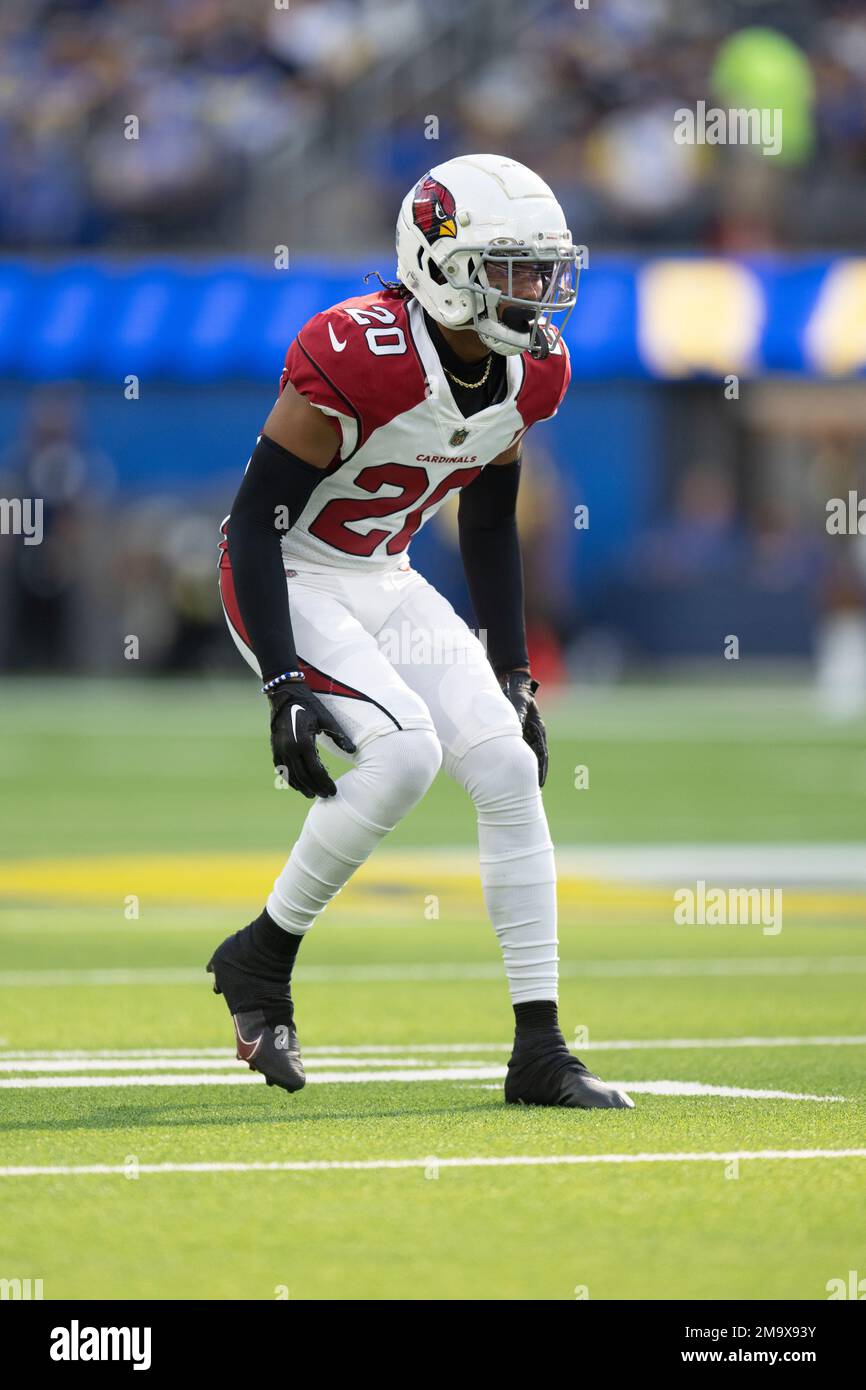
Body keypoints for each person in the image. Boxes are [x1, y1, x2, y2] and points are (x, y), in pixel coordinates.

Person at [209, 153, 634, 1110]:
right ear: (442, 263)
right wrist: (284, 685)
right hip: (291, 572)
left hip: (383, 576)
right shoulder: (359, 354)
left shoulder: (533, 373)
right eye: (511, 268)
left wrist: (515, 671)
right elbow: (253, 524)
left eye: (541, 270)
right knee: (402, 755)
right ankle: (263, 961)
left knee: (504, 763)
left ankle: (539, 1049)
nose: (533, 292)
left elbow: (488, 519)